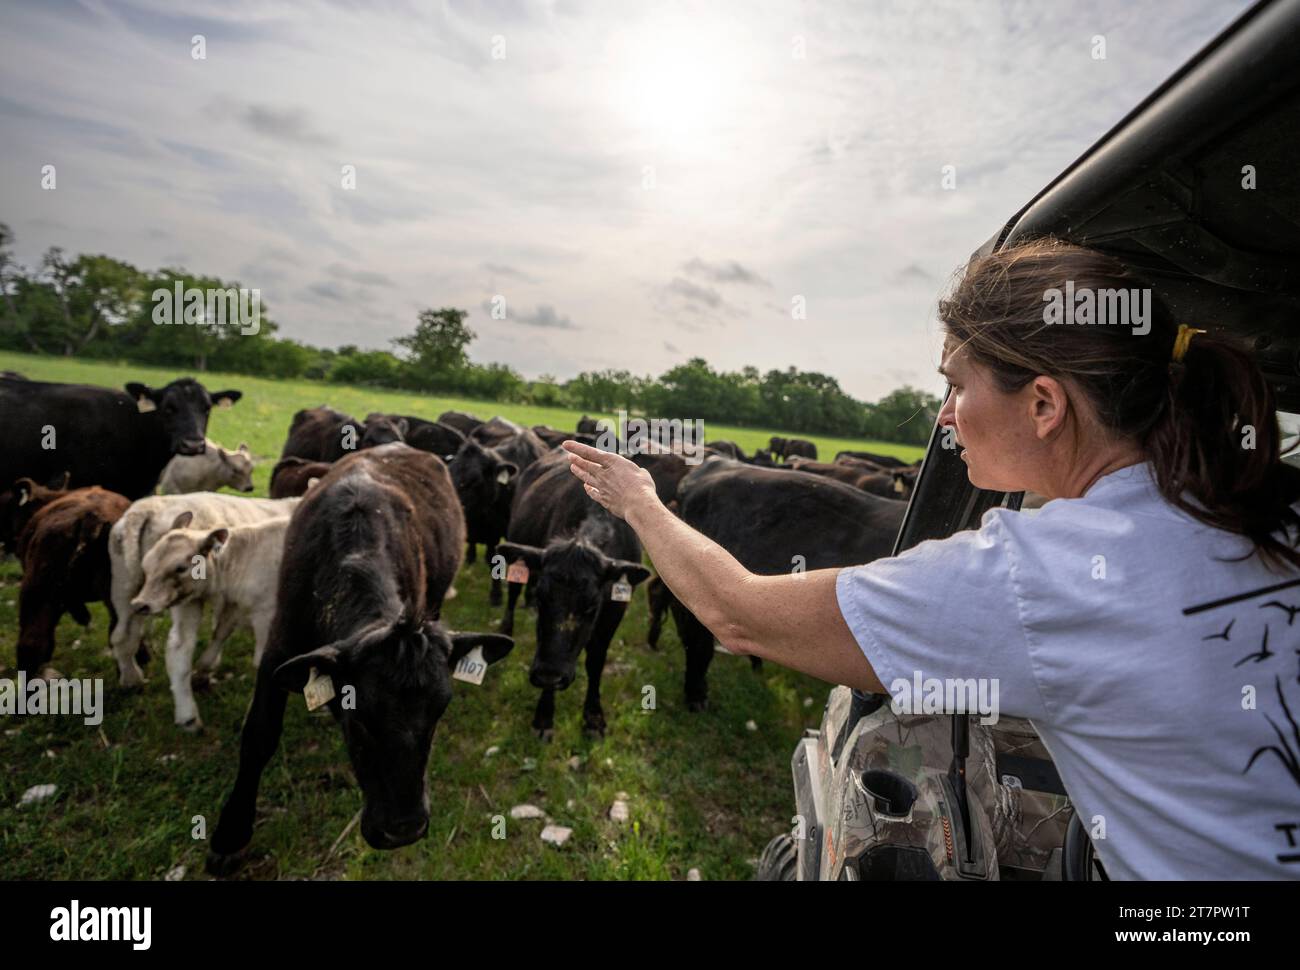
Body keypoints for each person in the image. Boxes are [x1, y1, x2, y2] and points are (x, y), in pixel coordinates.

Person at [562, 237, 1300, 880]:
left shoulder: (1036, 575)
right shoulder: (1259, 509)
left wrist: (640, 502)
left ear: (1044, 405)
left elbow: (738, 612)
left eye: (956, 385)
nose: (945, 416)